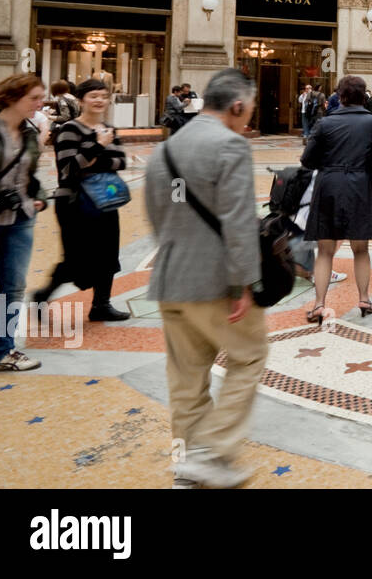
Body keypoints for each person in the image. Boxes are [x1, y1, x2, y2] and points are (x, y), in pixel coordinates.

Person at [144, 68, 266, 488]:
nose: (248, 116)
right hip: (215, 282)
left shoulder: (166, 150)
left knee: (186, 380)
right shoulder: (230, 145)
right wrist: (242, 283)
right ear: (236, 105)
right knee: (249, 356)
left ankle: (188, 469)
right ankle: (211, 453)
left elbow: (158, 215)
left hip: (170, 279)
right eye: (249, 108)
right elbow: (237, 220)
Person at [31, 79, 129, 321]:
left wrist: (93, 158)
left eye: (103, 96)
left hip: (105, 201)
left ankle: (101, 305)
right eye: (93, 95)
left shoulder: (108, 128)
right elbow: (68, 169)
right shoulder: (69, 130)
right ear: (82, 99)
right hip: (74, 203)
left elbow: (120, 162)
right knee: (75, 259)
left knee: (108, 255)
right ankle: (43, 296)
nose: (99, 100)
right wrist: (98, 147)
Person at [300, 75, 372, 323]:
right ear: (363, 96)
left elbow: (307, 160)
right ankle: (365, 299)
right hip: (360, 185)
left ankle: (318, 305)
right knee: (361, 249)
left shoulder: (325, 123)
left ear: (342, 96)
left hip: (329, 185)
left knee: (325, 251)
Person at [0, 74, 49, 372]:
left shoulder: (31, 132)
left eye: (41, 96)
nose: (40, 102)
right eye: (34, 97)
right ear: (11, 97)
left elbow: (30, 175)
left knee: (13, 286)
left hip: (20, 217)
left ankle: (1, 351)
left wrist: (40, 197)